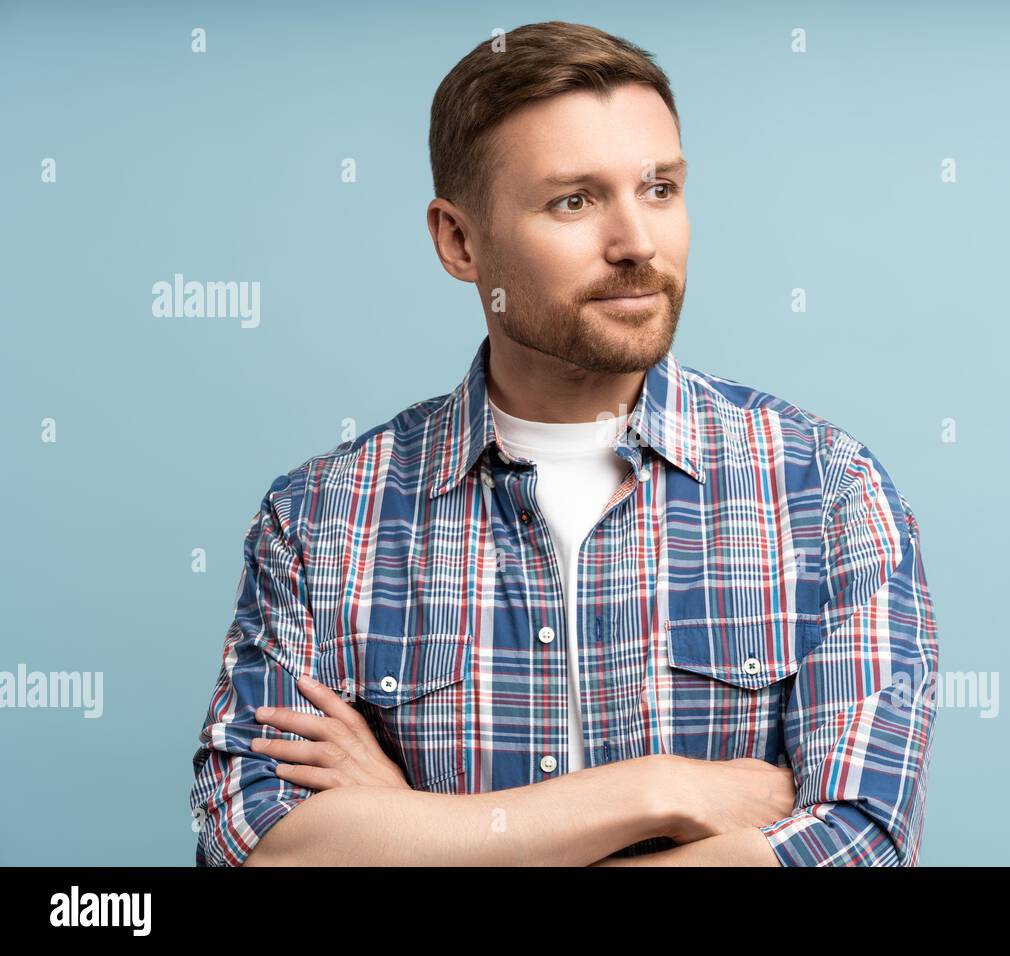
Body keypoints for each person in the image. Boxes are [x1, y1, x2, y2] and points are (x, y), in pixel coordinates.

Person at [188, 20, 939, 867]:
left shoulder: (824, 491)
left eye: (659, 188)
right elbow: (254, 846)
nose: (637, 244)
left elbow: (858, 844)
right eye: (573, 201)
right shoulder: (321, 521)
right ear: (460, 241)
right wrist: (658, 790)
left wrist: (411, 831)